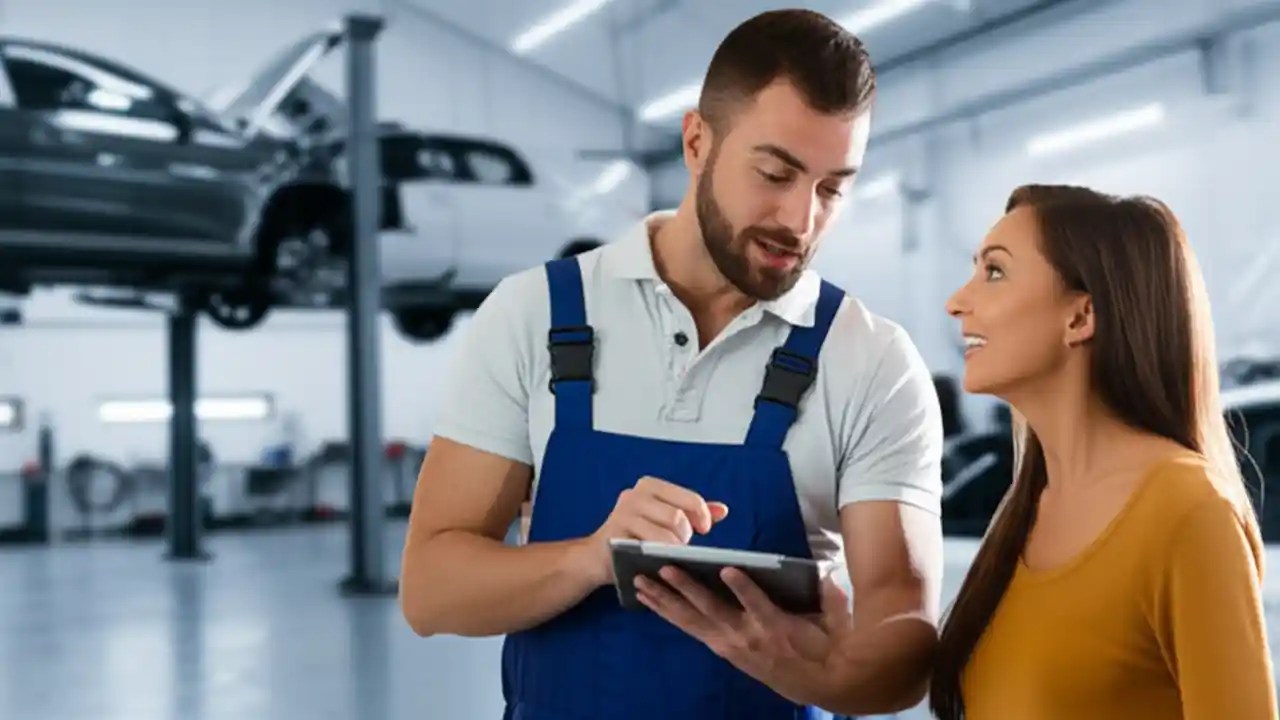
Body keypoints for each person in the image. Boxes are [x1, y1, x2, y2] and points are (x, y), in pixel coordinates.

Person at [398, 9, 944, 719]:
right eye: (775, 172)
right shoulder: (534, 314)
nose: (801, 219)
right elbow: (431, 590)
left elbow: (904, 631)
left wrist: (834, 670)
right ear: (695, 142)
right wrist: (591, 558)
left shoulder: (871, 360)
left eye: (832, 188)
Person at [931, 184, 1279, 719]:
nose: (956, 301)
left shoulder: (1188, 511)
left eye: (994, 272)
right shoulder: (1026, 511)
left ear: (1080, 317)